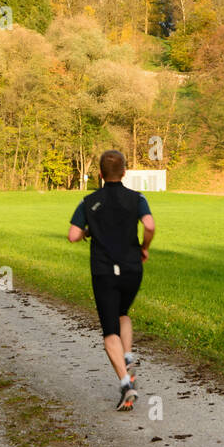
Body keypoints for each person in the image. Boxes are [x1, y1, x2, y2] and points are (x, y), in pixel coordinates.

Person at [67, 149, 156, 411]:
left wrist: (87, 231)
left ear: (100, 174)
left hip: (104, 271)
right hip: (131, 269)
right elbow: (149, 225)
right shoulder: (136, 198)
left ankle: (126, 385)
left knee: (109, 332)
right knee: (123, 313)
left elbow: (73, 235)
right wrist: (144, 246)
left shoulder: (89, 201)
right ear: (125, 172)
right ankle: (127, 357)